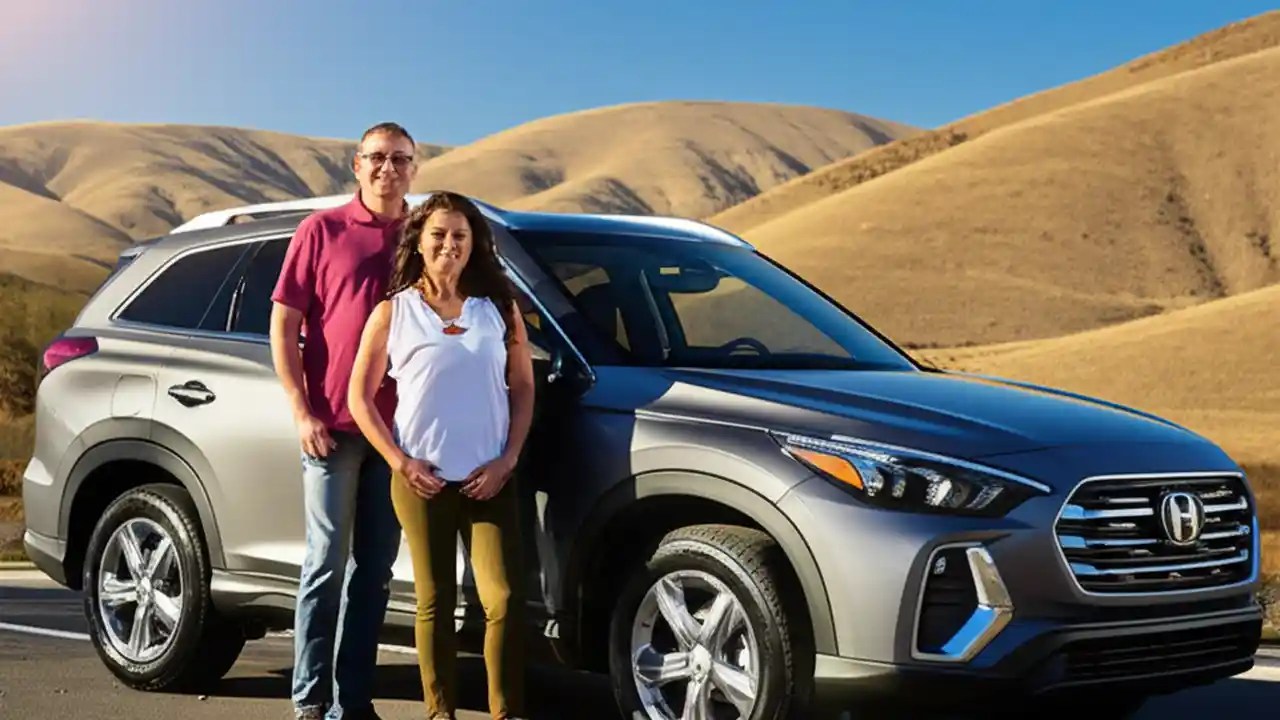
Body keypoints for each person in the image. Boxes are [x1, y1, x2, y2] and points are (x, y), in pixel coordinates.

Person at [347, 190, 535, 720]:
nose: (449, 244)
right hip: (420, 479)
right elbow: (358, 397)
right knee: (435, 601)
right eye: (439, 235)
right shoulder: (394, 311)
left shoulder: (499, 309)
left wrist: (508, 460)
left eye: (460, 235)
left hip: (490, 477)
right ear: (420, 242)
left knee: (502, 600)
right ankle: (440, 713)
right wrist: (399, 461)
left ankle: (506, 712)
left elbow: (522, 387)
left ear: (475, 245)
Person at [269, 121, 419, 720]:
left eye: (400, 159)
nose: (388, 169)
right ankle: (309, 700)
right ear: (356, 165)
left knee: (375, 572)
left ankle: (351, 703)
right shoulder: (321, 231)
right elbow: (284, 324)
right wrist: (301, 410)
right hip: (331, 428)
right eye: (377, 158)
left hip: (400, 437)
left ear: (416, 167)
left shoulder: (425, 236)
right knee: (324, 564)